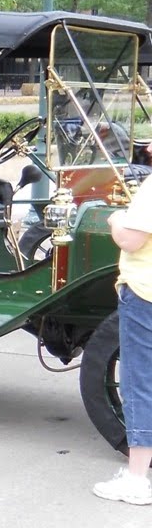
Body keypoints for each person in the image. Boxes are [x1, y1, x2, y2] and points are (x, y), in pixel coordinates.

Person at [95, 181, 152, 505]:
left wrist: (117, 219)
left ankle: (137, 479)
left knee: (139, 383)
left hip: (146, 293)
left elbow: (131, 240)